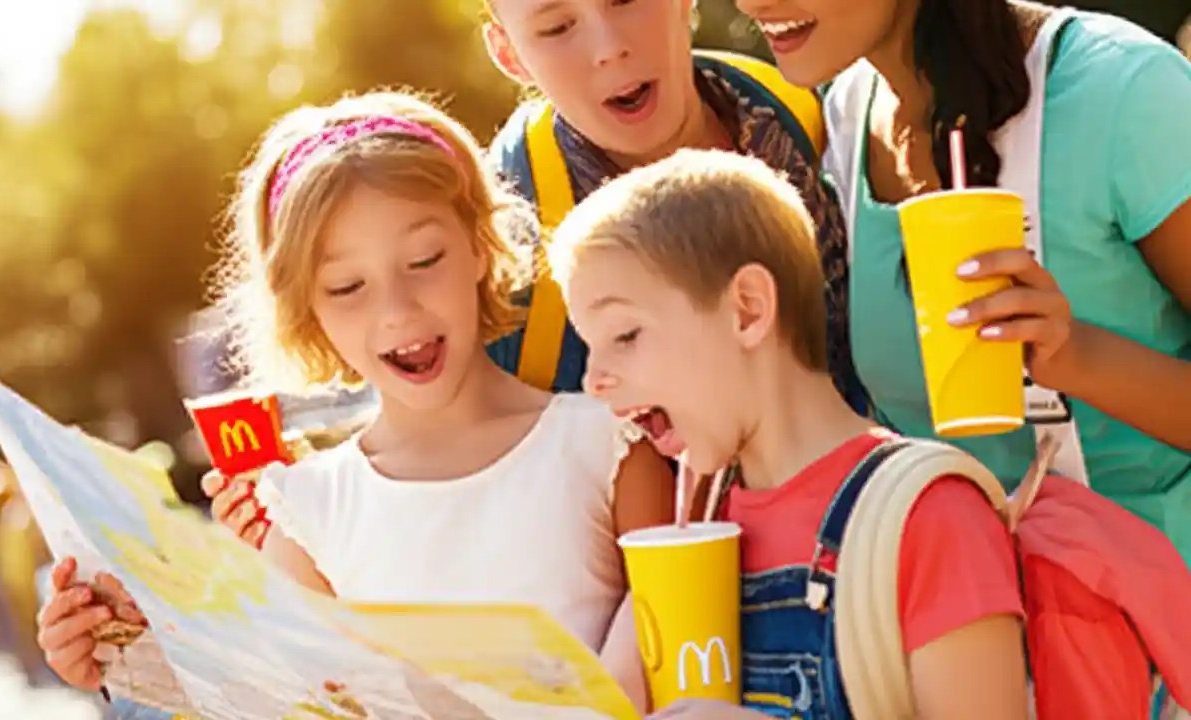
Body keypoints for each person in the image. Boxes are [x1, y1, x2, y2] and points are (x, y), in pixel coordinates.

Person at [33, 91, 674, 713]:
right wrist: (122, 656)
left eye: (424, 259)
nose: (397, 311)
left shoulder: (605, 445)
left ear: (480, 245)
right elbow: (269, 702)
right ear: (308, 311)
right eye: (347, 287)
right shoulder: (308, 512)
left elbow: (679, 660)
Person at [549, 148, 1028, 720]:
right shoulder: (698, 523)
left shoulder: (928, 513)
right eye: (589, 345)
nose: (593, 380)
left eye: (625, 334)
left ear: (747, 310)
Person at [732, 0, 1191, 562]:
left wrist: (1077, 356)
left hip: (1160, 621)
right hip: (972, 625)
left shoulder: (1124, 91)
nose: (751, 3)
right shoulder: (844, 118)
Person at [478, 0, 860, 411]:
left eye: (625, 1)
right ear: (508, 54)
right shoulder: (506, 267)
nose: (609, 48)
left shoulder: (800, 112)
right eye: (557, 28)